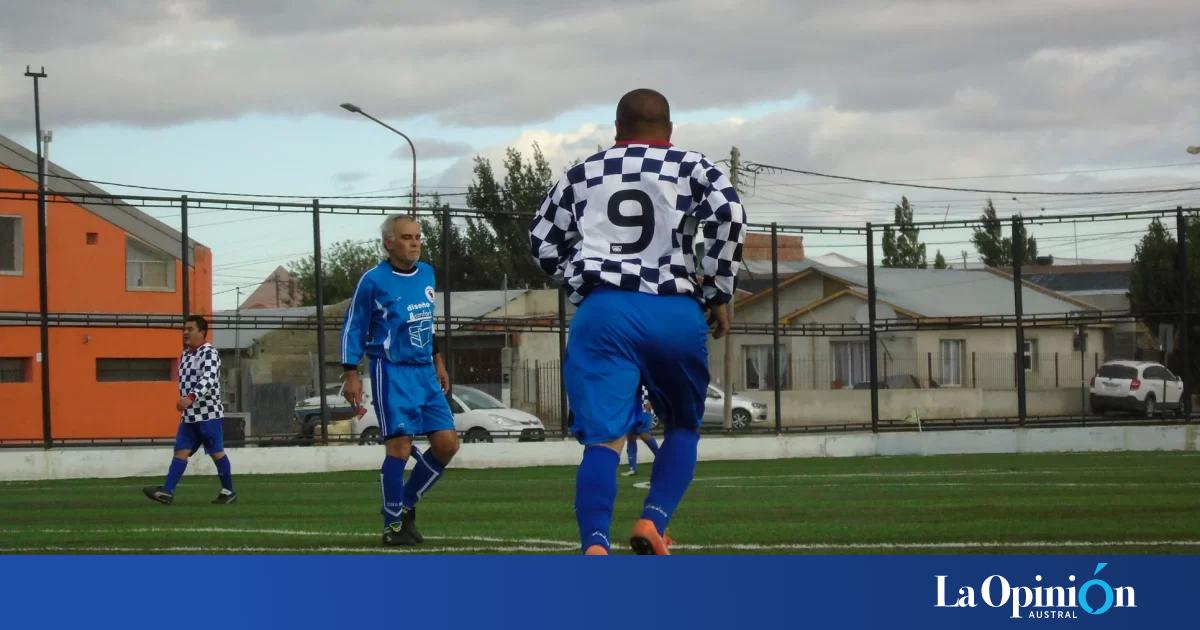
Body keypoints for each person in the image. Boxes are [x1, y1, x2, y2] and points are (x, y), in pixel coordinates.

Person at [529, 88, 746, 554]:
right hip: (675, 311)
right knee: (683, 426)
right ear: (669, 130)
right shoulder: (695, 167)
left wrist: (580, 279)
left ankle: (595, 545)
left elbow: (542, 242)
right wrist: (717, 291)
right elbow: (729, 214)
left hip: (605, 313)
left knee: (604, 440)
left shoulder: (582, 173)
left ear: (616, 128)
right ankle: (653, 521)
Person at [341, 214, 460, 546]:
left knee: (447, 444)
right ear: (389, 242)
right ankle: (393, 527)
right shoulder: (373, 280)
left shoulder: (428, 274)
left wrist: (438, 361)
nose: (415, 243)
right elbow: (353, 326)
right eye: (407, 237)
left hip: (424, 371)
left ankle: (403, 505)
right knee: (400, 447)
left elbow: (426, 323)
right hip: (390, 371)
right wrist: (350, 372)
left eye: (418, 237)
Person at [143, 315, 237, 505]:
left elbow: (209, 380)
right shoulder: (185, 354)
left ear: (202, 332)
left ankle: (229, 491)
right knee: (181, 451)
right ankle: (167, 492)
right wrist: (187, 403)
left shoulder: (209, 353)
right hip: (189, 416)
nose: (185, 332)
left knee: (216, 452)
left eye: (190, 329)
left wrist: (190, 398)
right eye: (184, 328)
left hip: (209, 414)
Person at [622, 393, 659, 477]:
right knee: (631, 436)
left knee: (644, 433)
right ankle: (632, 468)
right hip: (633, 406)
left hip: (643, 405)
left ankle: (663, 460)